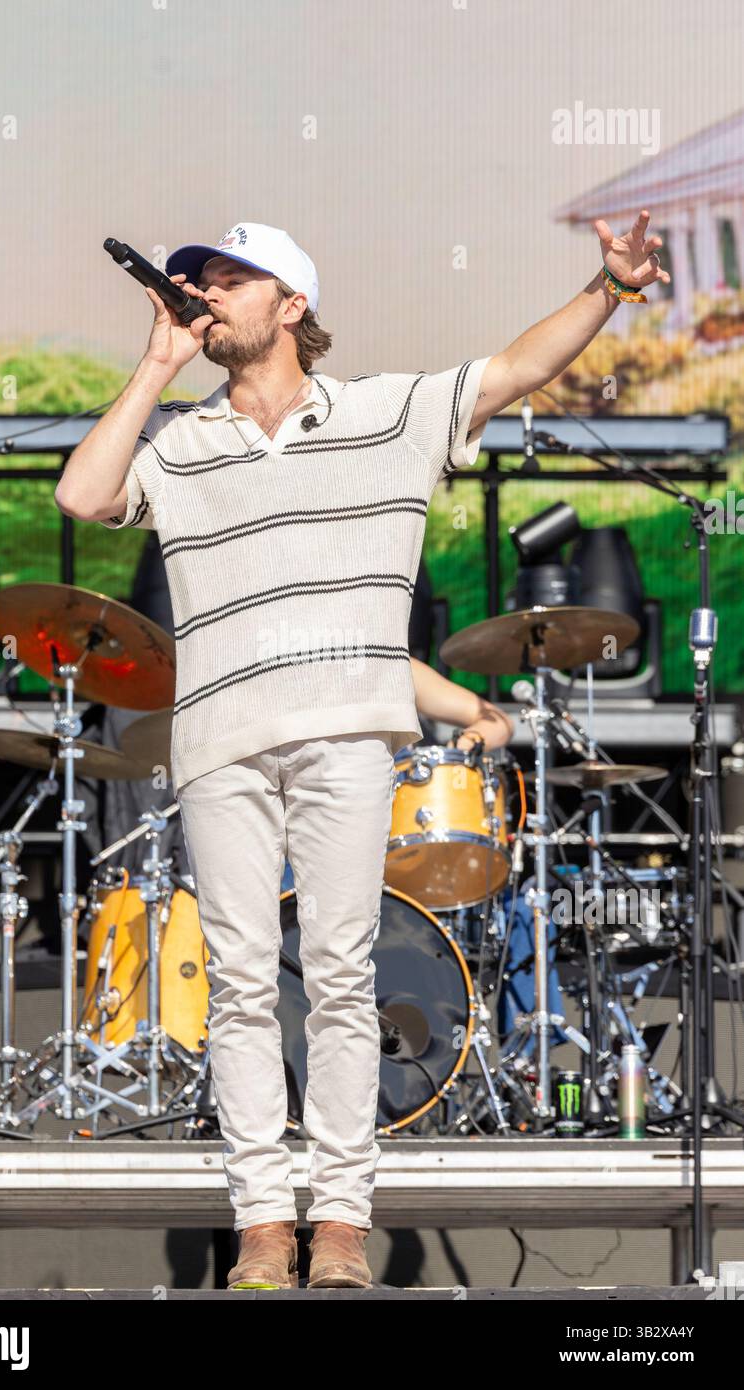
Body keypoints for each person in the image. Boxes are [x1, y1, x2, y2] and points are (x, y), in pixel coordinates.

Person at [55, 216, 669, 1290]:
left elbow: (516, 367)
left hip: (345, 735)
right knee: (243, 983)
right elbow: (84, 496)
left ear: (290, 304)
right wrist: (155, 364)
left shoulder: (384, 413)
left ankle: (338, 1218)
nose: (204, 293)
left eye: (228, 279)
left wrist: (606, 288)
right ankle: (260, 1222)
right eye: (195, 281)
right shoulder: (182, 445)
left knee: (337, 977)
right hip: (221, 745)